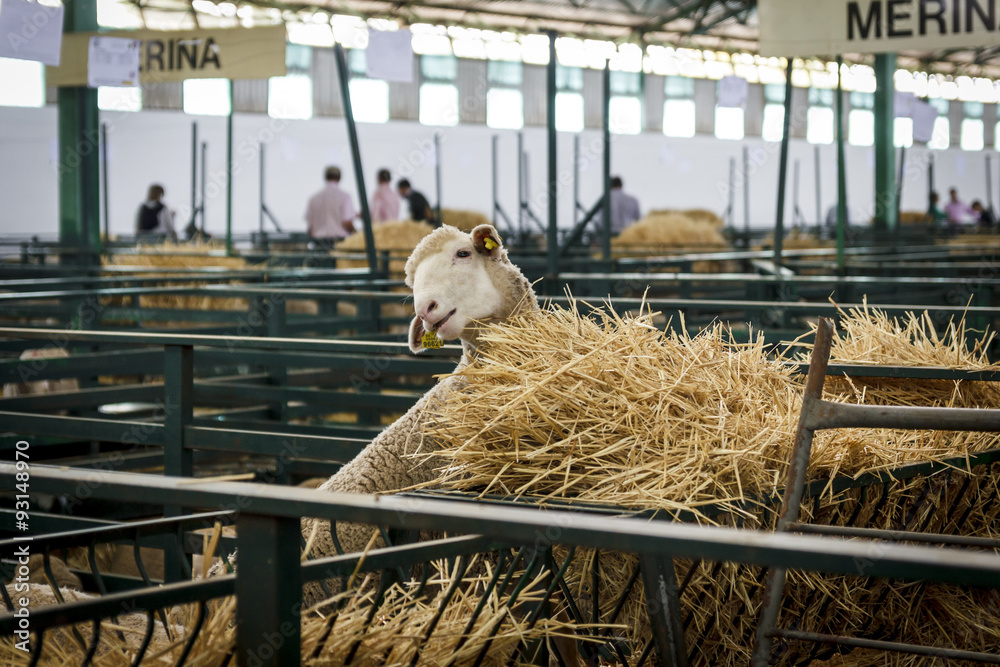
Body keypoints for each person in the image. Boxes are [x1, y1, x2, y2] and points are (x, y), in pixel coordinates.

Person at [305, 166, 357, 243]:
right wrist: (357, 234)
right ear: (339, 177)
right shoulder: (344, 197)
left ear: (325, 177)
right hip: (339, 242)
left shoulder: (314, 198)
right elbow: (346, 222)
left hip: (318, 242)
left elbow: (310, 226)